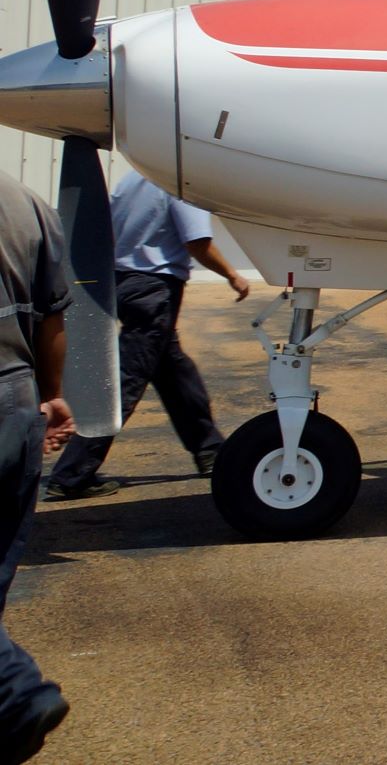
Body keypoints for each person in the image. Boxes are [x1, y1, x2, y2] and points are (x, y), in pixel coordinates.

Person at [45, 170, 249, 500]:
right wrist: (232, 275)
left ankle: (209, 449)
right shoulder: (182, 180)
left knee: (173, 369)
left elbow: (108, 230)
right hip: (155, 290)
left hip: (125, 283)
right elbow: (196, 241)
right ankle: (71, 474)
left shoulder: (133, 178)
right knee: (126, 380)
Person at [0, 170, 72, 758]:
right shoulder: (26, 200)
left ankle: (19, 690)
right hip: (19, 405)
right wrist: (52, 396)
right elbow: (52, 316)